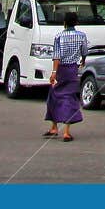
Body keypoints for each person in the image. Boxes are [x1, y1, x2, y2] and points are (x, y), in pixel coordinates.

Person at [44, 12, 88, 142]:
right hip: (73, 69)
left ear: (64, 23)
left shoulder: (59, 36)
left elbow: (56, 56)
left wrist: (53, 72)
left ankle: (54, 127)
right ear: (76, 23)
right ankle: (66, 132)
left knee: (54, 95)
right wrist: (83, 60)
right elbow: (84, 51)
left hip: (61, 69)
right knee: (69, 97)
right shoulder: (82, 36)